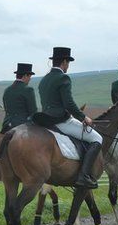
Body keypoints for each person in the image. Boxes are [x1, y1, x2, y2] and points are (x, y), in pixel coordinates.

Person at [37, 47, 104, 189]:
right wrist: (83, 117)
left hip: (46, 122)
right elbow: (68, 103)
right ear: (64, 62)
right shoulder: (63, 78)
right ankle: (84, 176)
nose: (68, 66)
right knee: (97, 138)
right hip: (61, 121)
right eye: (68, 63)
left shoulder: (44, 80)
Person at [1, 62, 37, 133]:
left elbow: (6, 109)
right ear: (25, 76)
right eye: (29, 77)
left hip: (7, 125)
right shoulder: (28, 89)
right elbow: (33, 111)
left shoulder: (7, 90)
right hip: (22, 125)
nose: (30, 79)